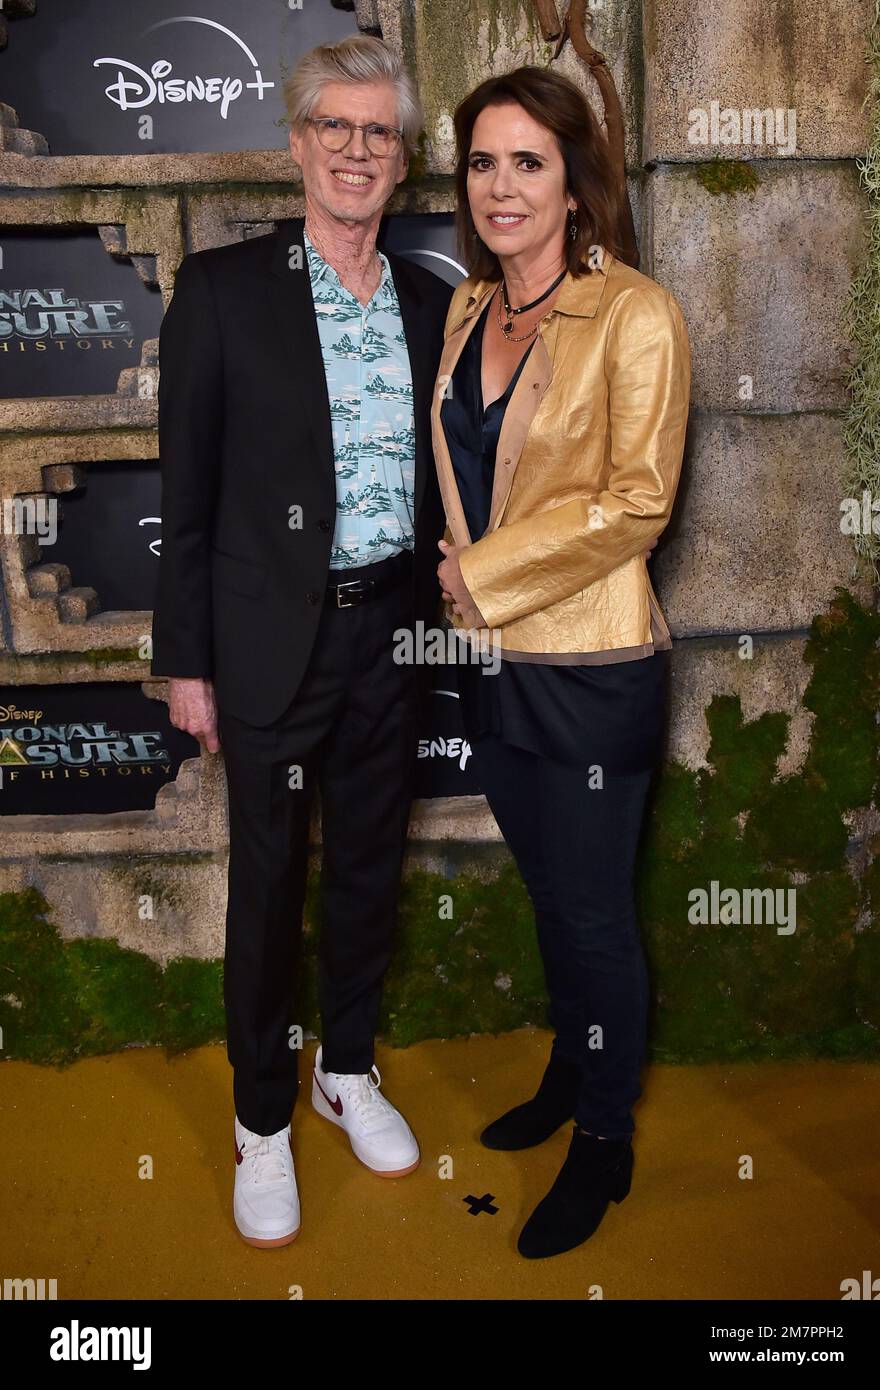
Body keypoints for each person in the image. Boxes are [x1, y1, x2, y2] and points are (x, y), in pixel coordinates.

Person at [150, 35, 452, 1248]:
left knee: (372, 864)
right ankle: (262, 1119)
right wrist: (187, 661)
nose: (357, 150)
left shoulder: (431, 301)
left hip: (390, 632)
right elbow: (188, 494)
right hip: (270, 642)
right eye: (336, 126)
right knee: (272, 888)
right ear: (295, 143)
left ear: (399, 156)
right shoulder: (222, 292)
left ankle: (350, 1066)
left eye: (380, 132)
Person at [433, 66, 691, 1259]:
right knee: (550, 896)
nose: (502, 186)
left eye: (528, 161)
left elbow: (636, 503)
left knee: (593, 916)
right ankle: (564, 1070)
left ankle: (602, 1139)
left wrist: (479, 576)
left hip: (588, 666)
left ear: (576, 185)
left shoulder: (634, 313)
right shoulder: (468, 310)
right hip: (495, 663)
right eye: (483, 162)